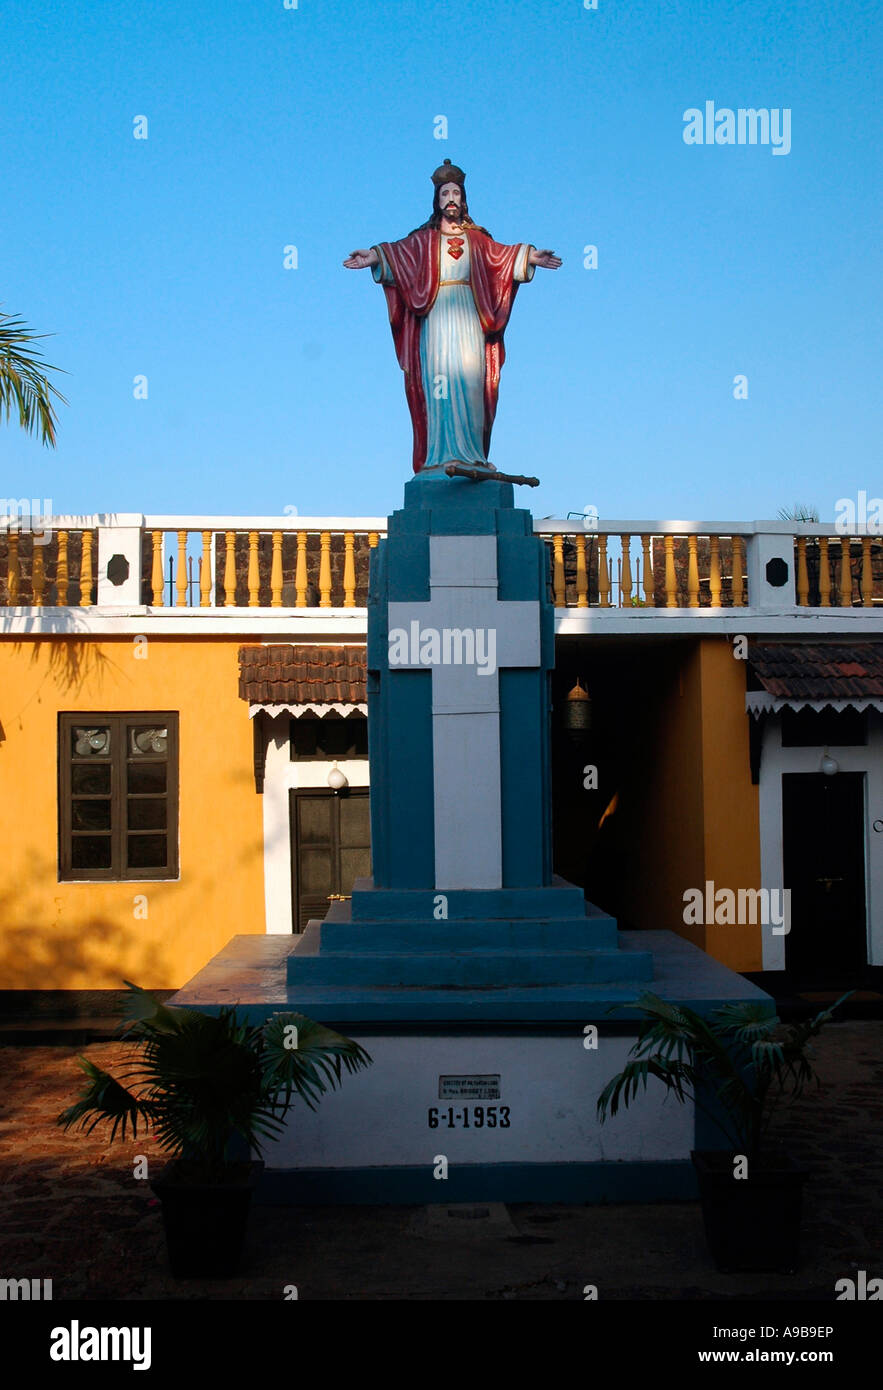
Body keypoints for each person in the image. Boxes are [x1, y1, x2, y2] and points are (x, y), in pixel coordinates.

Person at [344, 159, 561, 473]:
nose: (450, 198)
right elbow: (398, 253)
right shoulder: (424, 240)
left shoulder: (478, 241)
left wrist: (530, 256)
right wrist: (373, 256)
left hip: (470, 318)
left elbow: (502, 256)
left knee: (473, 382)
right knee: (438, 387)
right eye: (445, 192)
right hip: (436, 320)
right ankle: (440, 457)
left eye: (455, 193)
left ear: (463, 199)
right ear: (437, 199)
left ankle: (472, 456)